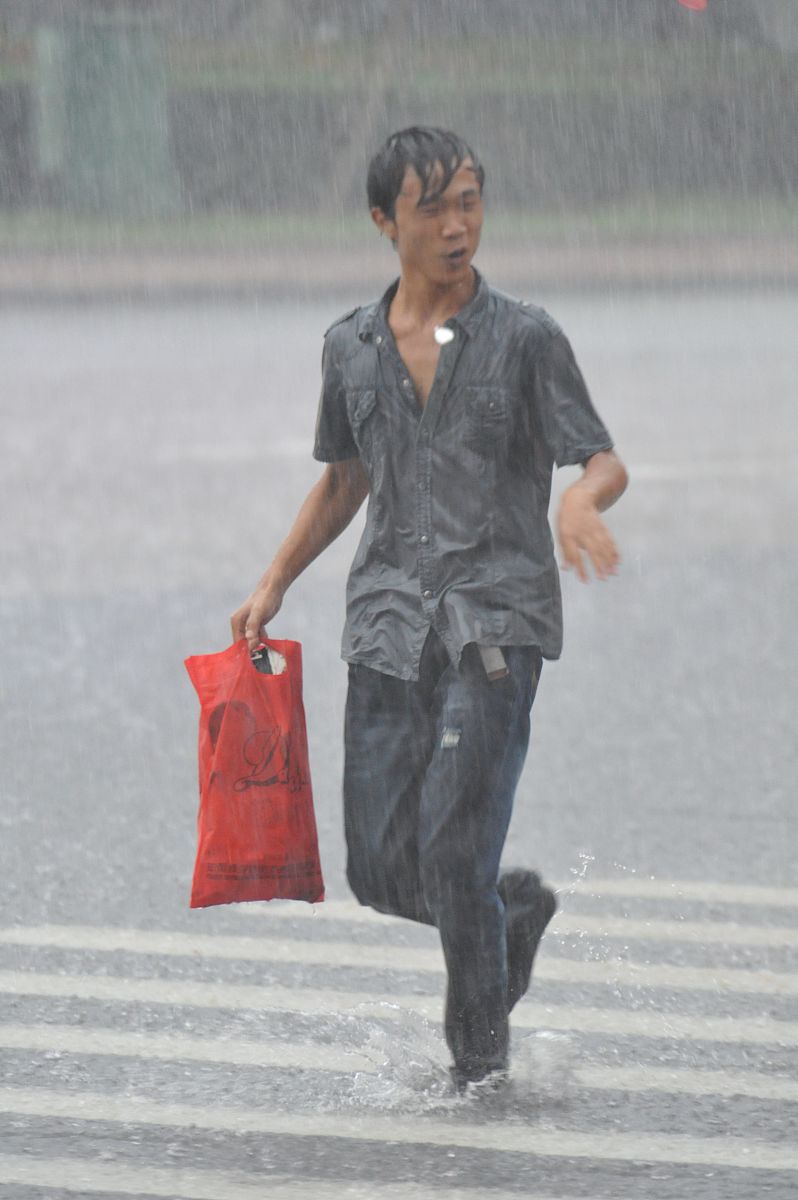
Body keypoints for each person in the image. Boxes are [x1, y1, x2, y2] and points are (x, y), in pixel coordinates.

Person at [231, 126, 628, 1092]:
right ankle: (509, 912)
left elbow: (600, 457)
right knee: (379, 868)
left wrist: (580, 498)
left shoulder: (527, 337)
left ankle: (477, 1076)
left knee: (452, 850)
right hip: (387, 626)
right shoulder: (351, 347)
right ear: (384, 221)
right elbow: (346, 477)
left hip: (496, 622)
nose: (459, 226)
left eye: (471, 201)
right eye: (433, 208)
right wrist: (276, 577)